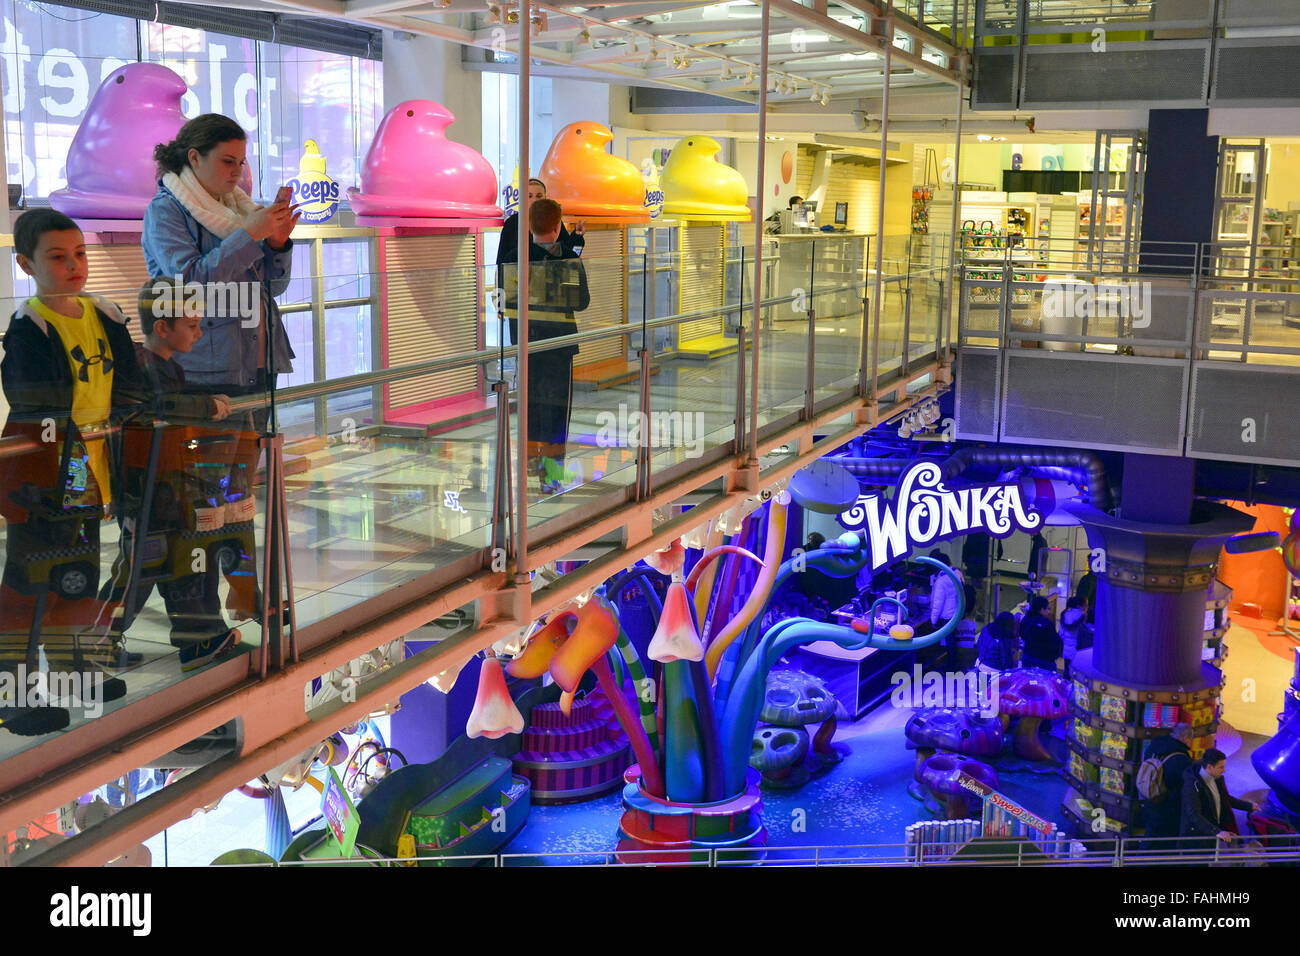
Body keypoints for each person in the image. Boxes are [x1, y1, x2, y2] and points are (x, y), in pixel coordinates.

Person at [142, 113, 298, 622]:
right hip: (204, 370)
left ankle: (244, 589)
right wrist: (250, 236)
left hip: (254, 361)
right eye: (226, 161)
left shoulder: (239, 210)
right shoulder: (166, 212)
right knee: (202, 497)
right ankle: (185, 611)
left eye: (241, 161)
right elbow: (188, 286)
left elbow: (271, 289)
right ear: (194, 157)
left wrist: (276, 245)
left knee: (239, 492)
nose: (236, 172)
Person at [0, 209, 140, 733]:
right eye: (57, 257)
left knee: (76, 576)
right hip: (47, 473)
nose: (73, 265)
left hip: (93, 467)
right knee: (29, 587)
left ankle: (70, 670)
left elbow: (128, 386)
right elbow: (34, 402)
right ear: (26, 264)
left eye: (79, 254)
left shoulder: (104, 314)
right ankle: (11, 693)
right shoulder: (28, 327)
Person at [103, 278, 242, 672]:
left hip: (162, 492)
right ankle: (92, 641)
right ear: (162, 328)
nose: (199, 333)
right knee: (140, 574)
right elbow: (161, 406)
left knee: (168, 568)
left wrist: (206, 401)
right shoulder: (143, 370)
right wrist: (206, 407)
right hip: (152, 493)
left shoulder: (159, 367)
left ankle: (199, 640)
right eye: (192, 325)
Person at [498, 197, 590, 492]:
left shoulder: (514, 256)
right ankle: (551, 473)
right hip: (559, 345)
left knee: (530, 406)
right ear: (556, 225)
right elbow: (582, 301)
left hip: (528, 343)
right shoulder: (567, 258)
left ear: (529, 225)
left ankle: (529, 467)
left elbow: (506, 300)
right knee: (557, 410)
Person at [495, 178, 583, 279]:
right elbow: (501, 261)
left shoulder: (554, 220)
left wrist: (577, 235)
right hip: (520, 280)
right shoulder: (512, 223)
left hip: (552, 278)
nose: (534, 200)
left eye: (539, 196)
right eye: (529, 196)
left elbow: (567, 250)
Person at [1181, 748, 1259, 855]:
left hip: (1209, 835)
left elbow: (1225, 799)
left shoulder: (1216, 778)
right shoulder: (1192, 785)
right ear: (1209, 767)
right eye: (1221, 767)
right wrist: (1216, 831)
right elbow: (1193, 814)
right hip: (1196, 839)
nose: (1224, 770)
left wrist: (1249, 806)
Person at [1138, 723, 1194, 850]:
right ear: (1185, 738)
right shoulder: (1182, 759)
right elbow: (1181, 787)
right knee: (1164, 843)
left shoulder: (1156, 744)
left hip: (1149, 797)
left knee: (1150, 835)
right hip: (1166, 808)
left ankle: (1140, 859)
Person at [924, 550, 964, 665]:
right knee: (952, 640)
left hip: (946, 615)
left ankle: (951, 665)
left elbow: (938, 603)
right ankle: (953, 662)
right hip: (955, 612)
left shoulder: (941, 581)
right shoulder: (955, 573)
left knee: (949, 641)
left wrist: (933, 620)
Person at [1018, 595, 1062, 671]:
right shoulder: (1046, 623)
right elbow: (1054, 642)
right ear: (1042, 609)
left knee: (1028, 680)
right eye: (1048, 608)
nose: (1049, 611)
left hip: (1027, 656)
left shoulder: (1025, 619)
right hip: (1045, 661)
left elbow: (1022, 635)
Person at [1058, 594, 1093, 668]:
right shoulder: (1082, 615)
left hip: (1066, 647)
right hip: (1078, 648)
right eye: (1085, 605)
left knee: (1067, 671)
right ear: (1079, 605)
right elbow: (1084, 632)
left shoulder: (1065, 614)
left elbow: (1061, 632)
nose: (1087, 607)